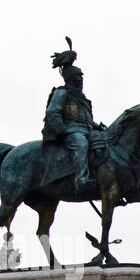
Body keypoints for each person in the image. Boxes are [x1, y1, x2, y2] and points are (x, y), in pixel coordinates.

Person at [43, 39, 103, 193]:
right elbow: (52, 112)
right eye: (78, 76)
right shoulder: (62, 92)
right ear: (71, 78)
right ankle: (81, 178)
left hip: (86, 130)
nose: (81, 79)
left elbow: (86, 119)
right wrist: (61, 130)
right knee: (81, 144)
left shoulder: (84, 99)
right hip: (70, 130)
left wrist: (98, 127)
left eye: (82, 77)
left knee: (104, 143)